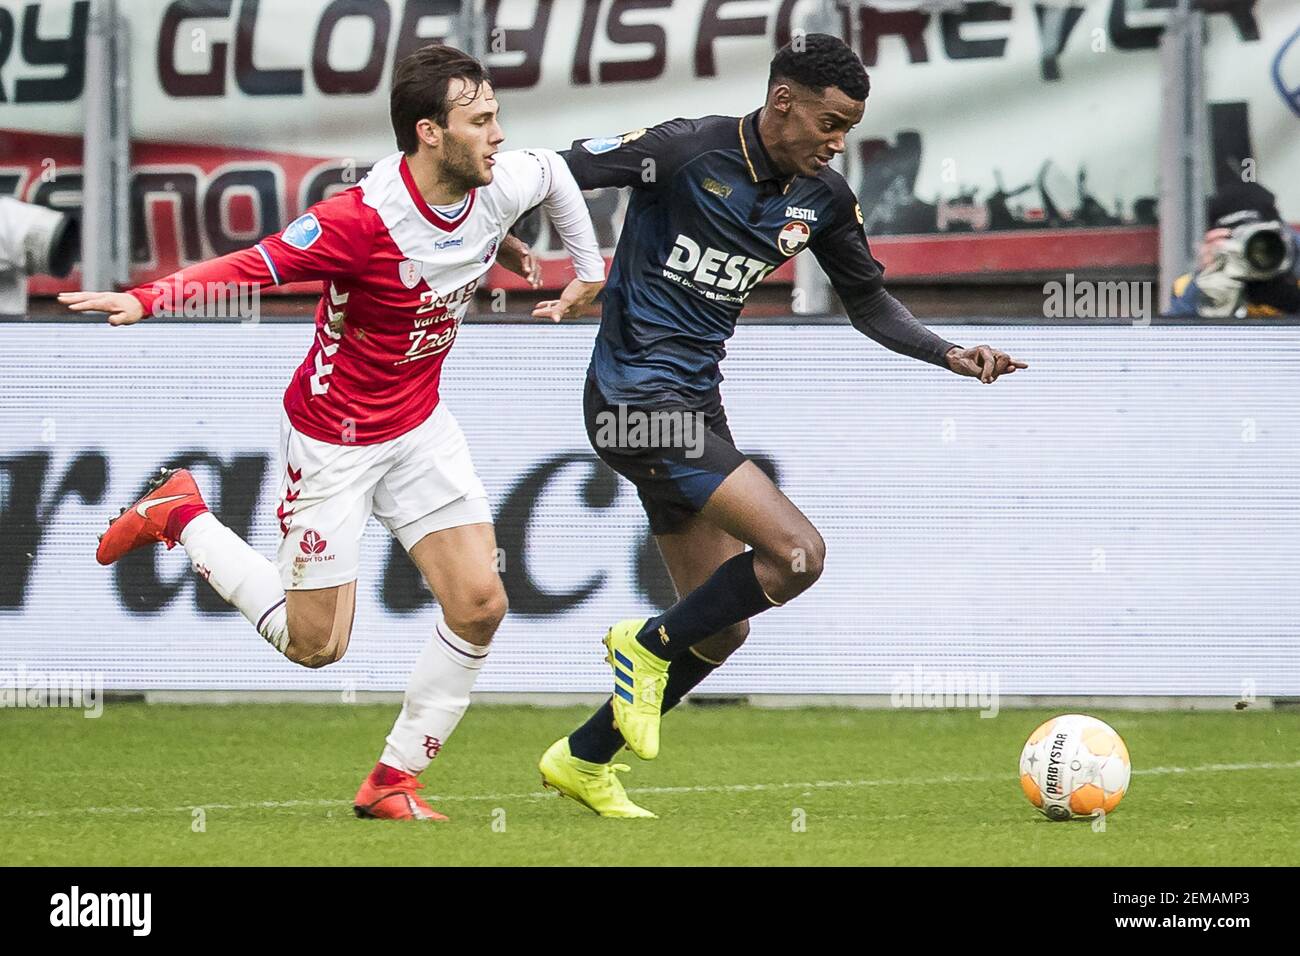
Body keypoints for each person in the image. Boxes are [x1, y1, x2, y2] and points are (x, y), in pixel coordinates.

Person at [59, 44, 605, 821]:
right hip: (335, 441)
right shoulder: (361, 221)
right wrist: (150, 298)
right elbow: (258, 264)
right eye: (479, 121)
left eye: (496, 117)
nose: (498, 134)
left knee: (481, 604)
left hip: (419, 425)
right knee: (317, 647)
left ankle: (393, 781)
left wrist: (584, 271)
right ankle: (180, 514)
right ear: (428, 133)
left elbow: (552, 172)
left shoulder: (496, 178)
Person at [515, 34, 1025, 818]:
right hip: (632, 403)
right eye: (830, 121)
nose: (838, 142)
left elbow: (867, 301)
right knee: (796, 555)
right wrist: (505, 240)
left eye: (850, 128)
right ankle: (641, 647)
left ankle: (583, 756)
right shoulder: (683, 151)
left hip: (696, 407)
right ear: (782, 100)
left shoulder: (821, 199)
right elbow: (546, 170)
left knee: (721, 634)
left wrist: (948, 353)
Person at [1168, 182, 1300, 318]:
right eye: (1238, 240)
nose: (1254, 253)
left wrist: (1291, 298)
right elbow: (1173, 336)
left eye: (1265, 241)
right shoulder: (1186, 286)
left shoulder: (1295, 268)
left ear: (1283, 234)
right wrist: (1202, 293)